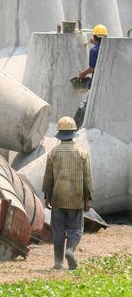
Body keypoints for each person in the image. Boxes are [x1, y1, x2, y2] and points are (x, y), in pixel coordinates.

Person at [42, 115, 93, 270]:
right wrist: (87, 198)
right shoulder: (82, 153)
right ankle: (70, 250)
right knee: (75, 229)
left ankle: (58, 262)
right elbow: (87, 179)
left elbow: (48, 178)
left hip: (58, 199)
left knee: (58, 229)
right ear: (73, 134)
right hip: (75, 199)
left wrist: (47, 197)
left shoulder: (53, 153)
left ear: (60, 134)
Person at [75, 24, 107, 127]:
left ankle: (79, 126)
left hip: (97, 82)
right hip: (107, 81)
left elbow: (92, 68)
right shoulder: (108, 48)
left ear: (94, 37)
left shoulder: (93, 51)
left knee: (87, 105)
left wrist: (82, 74)